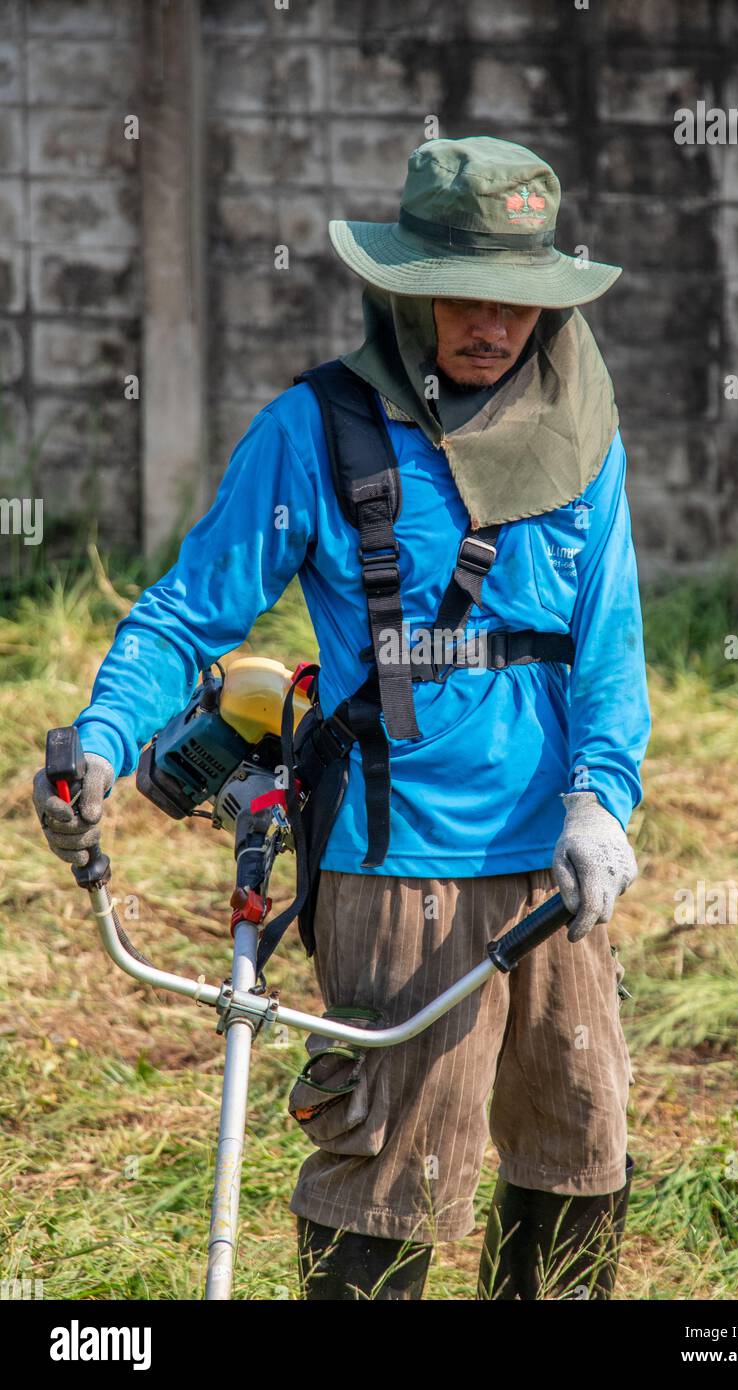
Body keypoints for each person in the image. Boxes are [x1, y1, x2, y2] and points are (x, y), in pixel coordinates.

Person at [33, 136, 651, 1300]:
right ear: (405, 291)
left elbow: (607, 640)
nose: (491, 325)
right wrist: (105, 739)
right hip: (396, 863)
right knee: (387, 1180)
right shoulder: (314, 430)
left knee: (577, 1155)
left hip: (554, 869)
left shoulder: (582, 431)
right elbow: (187, 614)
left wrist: (599, 799)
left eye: (515, 298)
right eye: (461, 294)